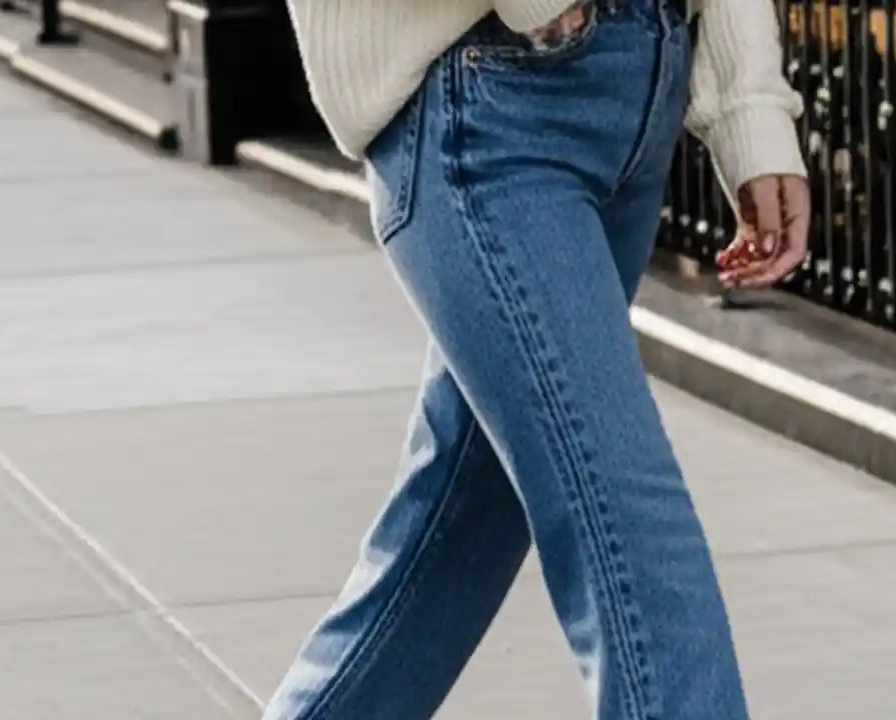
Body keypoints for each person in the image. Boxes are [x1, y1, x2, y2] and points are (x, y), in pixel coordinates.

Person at [265, 0, 809, 717]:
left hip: (638, 79)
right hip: (491, 96)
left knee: (461, 518)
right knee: (634, 539)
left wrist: (749, 106)